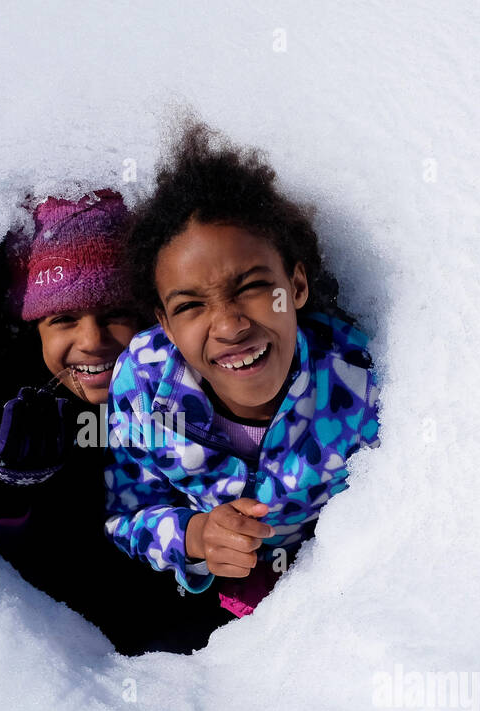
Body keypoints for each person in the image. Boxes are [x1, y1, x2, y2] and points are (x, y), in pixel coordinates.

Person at [104, 123, 383, 616]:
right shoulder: (142, 388)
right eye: (191, 306)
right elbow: (127, 512)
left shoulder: (359, 384)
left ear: (295, 286)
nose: (230, 325)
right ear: (164, 325)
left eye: (252, 287)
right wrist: (197, 536)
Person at [0, 189, 234, 654]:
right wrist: (7, 494)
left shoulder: (197, 387)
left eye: (117, 314)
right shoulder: (19, 407)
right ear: (35, 328)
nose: (92, 340)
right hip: (66, 642)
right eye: (63, 318)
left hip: (197, 630)